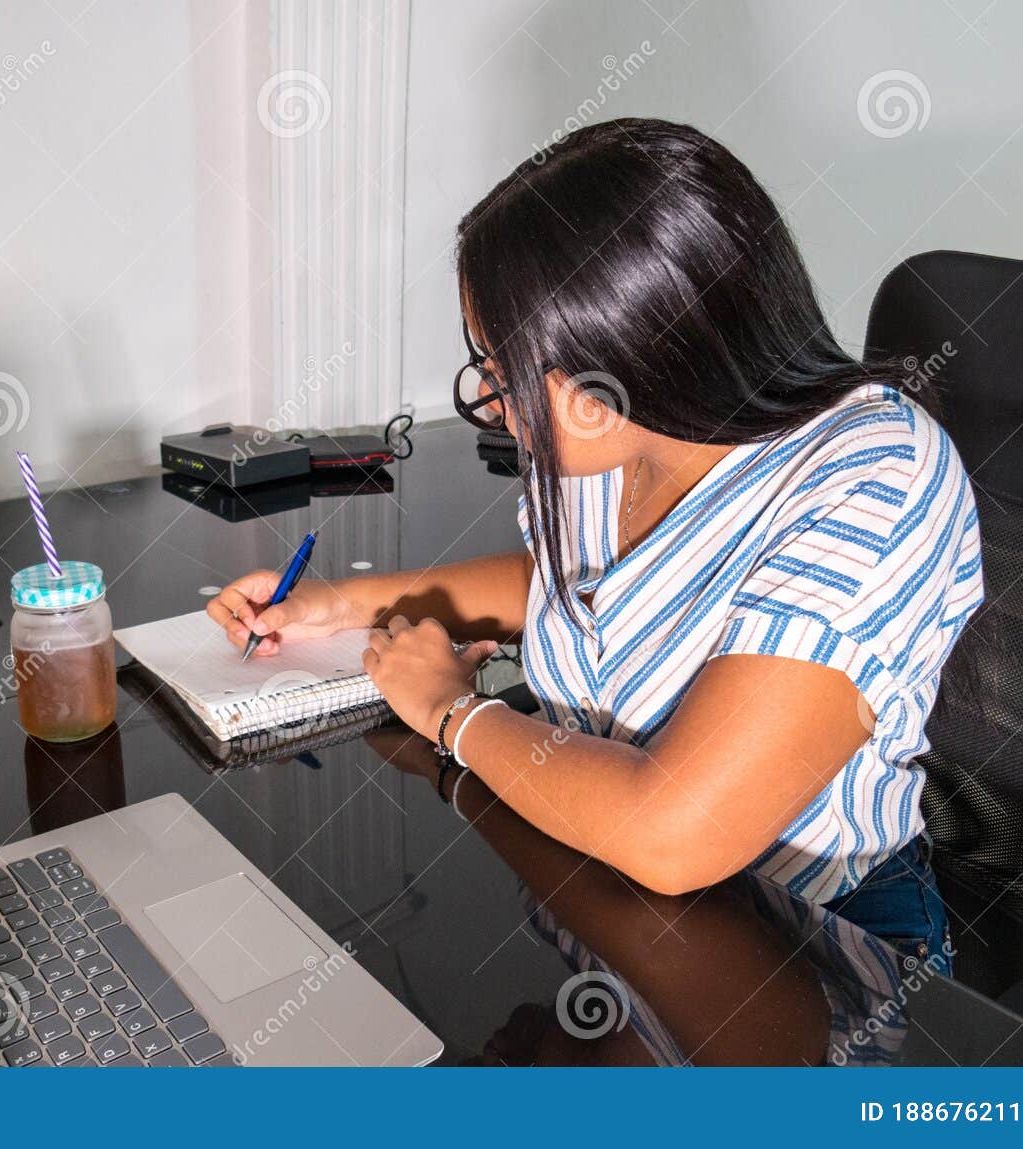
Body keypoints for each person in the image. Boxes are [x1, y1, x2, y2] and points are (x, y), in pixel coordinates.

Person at [207, 118, 983, 969]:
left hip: (809, 951)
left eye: (502, 371)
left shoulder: (875, 477)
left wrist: (450, 711)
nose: (494, 400)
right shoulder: (629, 439)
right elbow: (572, 584)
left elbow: (674, 834)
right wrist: (345, 604)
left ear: (618, 365)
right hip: (608, 899)